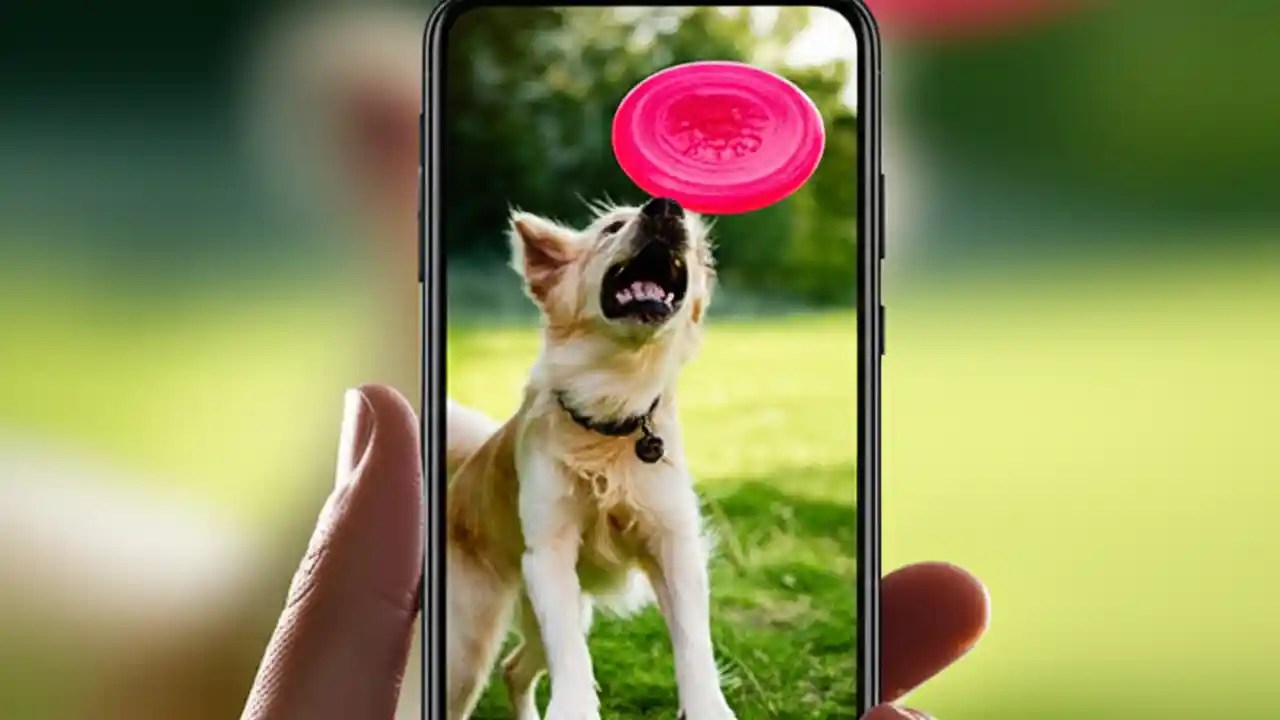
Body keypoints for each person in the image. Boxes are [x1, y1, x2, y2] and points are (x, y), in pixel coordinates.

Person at [241, 385, 990, 720]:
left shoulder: (659, 417)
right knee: (455, 682)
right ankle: (524, 691)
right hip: (483, 536)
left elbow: (676, 556)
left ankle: (529, 685)